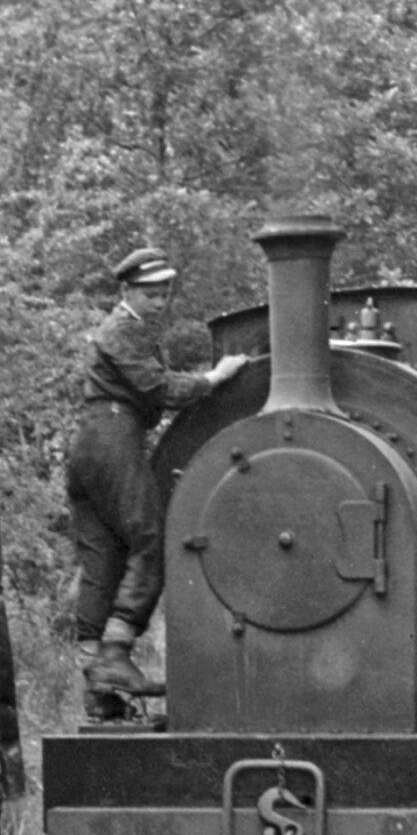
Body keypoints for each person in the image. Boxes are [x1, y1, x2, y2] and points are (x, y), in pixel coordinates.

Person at [68, 246, 248, 701]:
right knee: (153, 536)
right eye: (150, 293)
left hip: (93, 440)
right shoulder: (124, 329)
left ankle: (98, 687)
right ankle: (115, 650)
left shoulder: (132, 332)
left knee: (102, 558)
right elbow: (158, 388)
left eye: (165, 293)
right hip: (111, 437)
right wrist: (215, 378)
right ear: (127, 290)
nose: (159, 302)